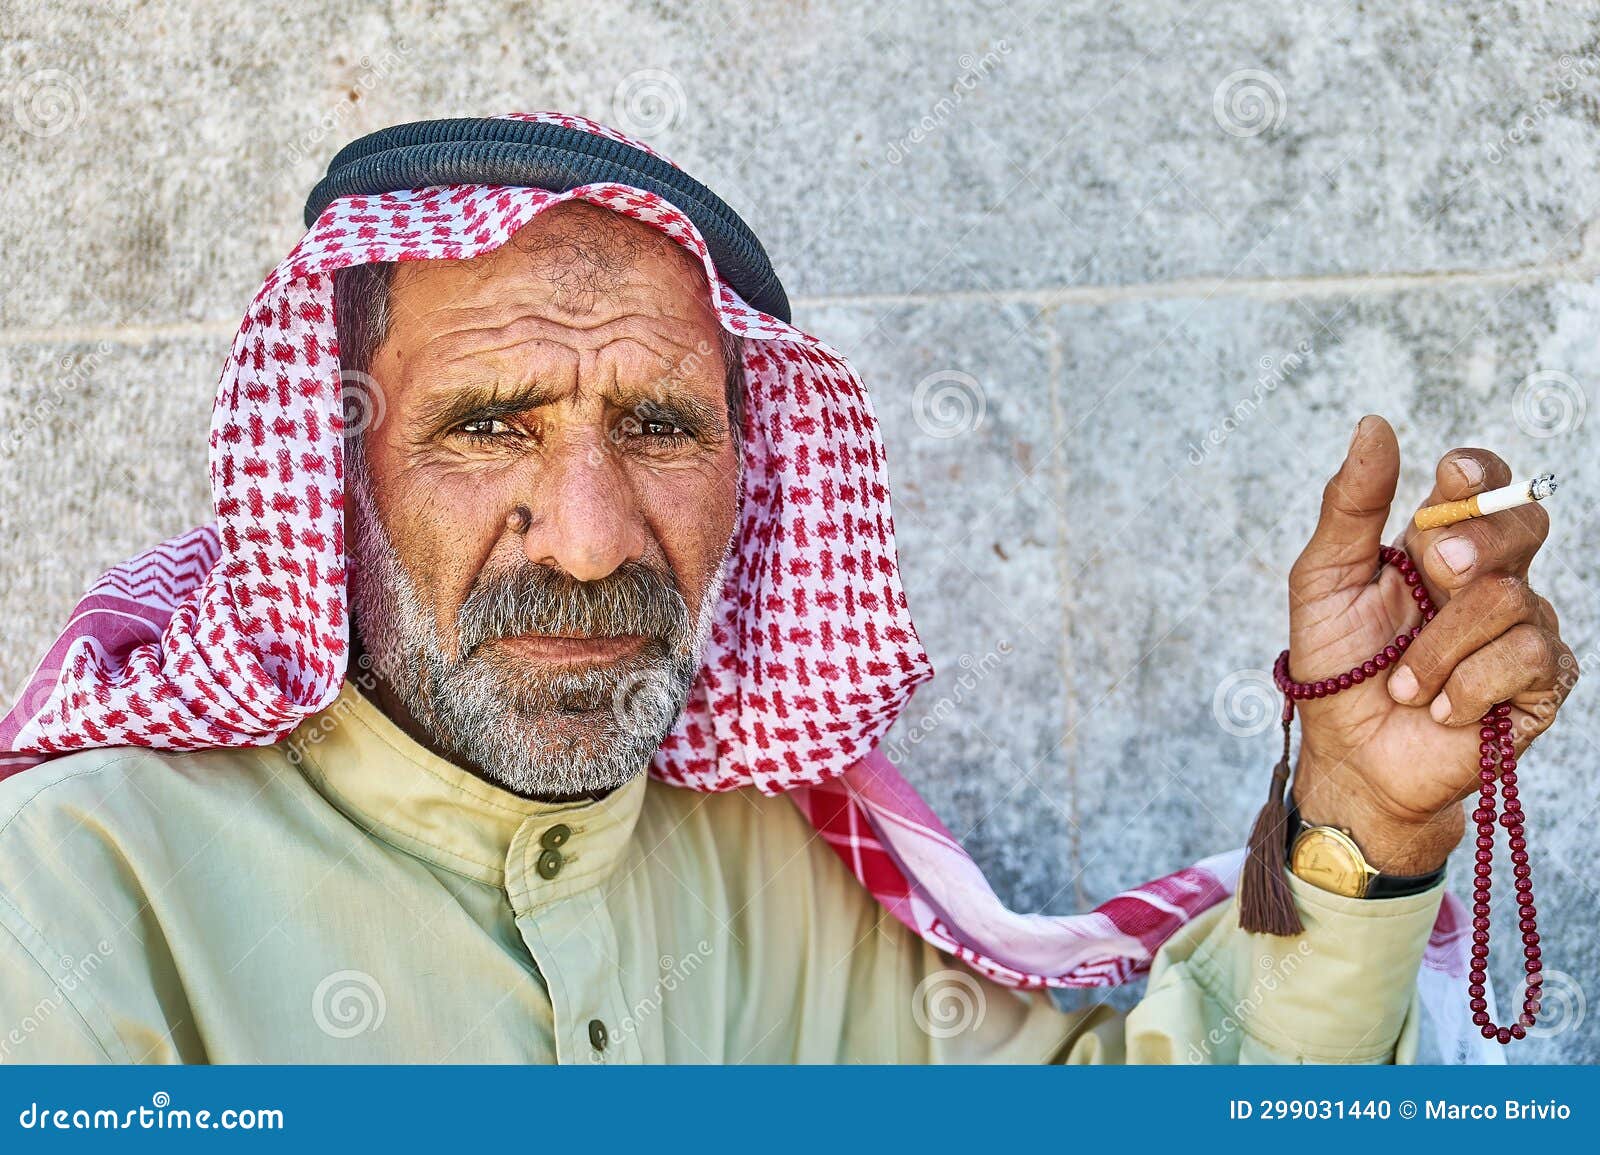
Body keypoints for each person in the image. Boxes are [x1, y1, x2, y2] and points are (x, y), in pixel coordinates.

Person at [0, 114, 1576, 1064]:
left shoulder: (783, 876)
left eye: (663, 427)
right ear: (331, 470)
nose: (593, 537)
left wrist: (1368, 819)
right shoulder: (82, 890)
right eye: (491, 426)